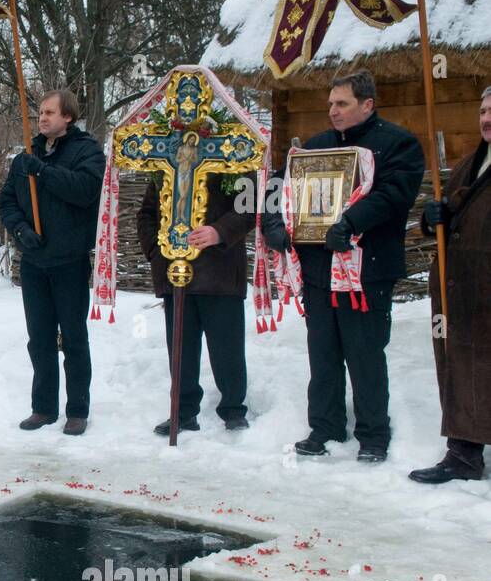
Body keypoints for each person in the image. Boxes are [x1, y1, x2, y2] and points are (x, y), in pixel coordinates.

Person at [261, 69, 425, 462]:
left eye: (342, 104)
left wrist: (350, 223)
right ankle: (325, 427)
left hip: (366, 270)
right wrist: (274, 225)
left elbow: (392, 196)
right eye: (331, 104)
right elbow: (274, 185)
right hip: (319, 269)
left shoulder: (398, 144)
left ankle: (373, 435)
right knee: (323, 353)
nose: (333, 111)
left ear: (367, 104)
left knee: (365, 353)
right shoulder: (317, 146)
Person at [0, 88, 105, 436]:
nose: (42, 118)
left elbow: (85, 190)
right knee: (39, 338)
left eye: (49, 113)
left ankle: (77, 410)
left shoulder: (86, 151)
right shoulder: (25, 158)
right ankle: (43, 407)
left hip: (69, 261)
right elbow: (7, 201)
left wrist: (43, 172)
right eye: (40, 113)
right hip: (34, 262)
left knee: (73, 338)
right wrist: (20, 230)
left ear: (68, 117)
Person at [409, 85, 491, 483]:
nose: (487, 119)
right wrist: (433, 216)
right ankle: (463, 454)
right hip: (461, 288)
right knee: (460, 366)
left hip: (484, 287)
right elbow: (447, 219)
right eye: (483, 111)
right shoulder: (470, 163)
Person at [137, 172, 254, 435]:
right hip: (175, 273)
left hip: (220, 273)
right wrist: (157, 252)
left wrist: (219, 232)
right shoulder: (167, 162)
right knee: (180, 349)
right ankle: (183, 411)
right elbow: (147, 213)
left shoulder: (233, 157)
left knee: (227, 349)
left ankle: (233, 409)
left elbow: (249, 207)